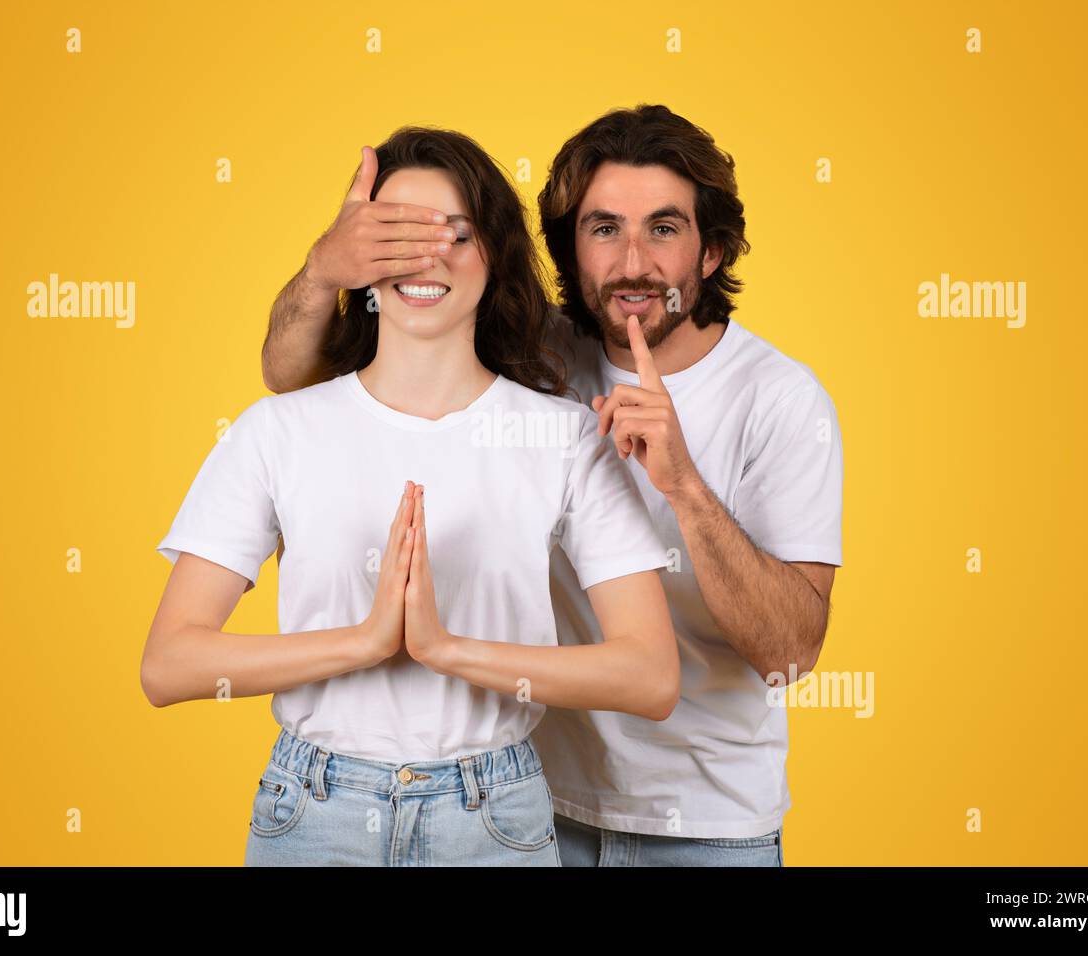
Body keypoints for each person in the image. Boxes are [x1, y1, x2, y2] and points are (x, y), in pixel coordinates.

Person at [260, 104, 844, 867]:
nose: (633, 261)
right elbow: (294, 381)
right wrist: (326, 271)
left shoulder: (782, 399)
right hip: (527, 810)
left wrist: (685, 487)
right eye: (604, 229)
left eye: (664, 229)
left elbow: (790, 657)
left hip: (708, 825)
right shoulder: (532, 358)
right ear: (571, 250)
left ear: (712, 252)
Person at [141, 126, 679, 867]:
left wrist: (449, 651)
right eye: (394, 237)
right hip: (314, 812)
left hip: (493, 817)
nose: (426, 260)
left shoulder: (563, 438)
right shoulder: (275, 432)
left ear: (495, 256)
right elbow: (168, 666)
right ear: (357, 263)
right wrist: (363, 644)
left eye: (457, 235)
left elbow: (650, 675)